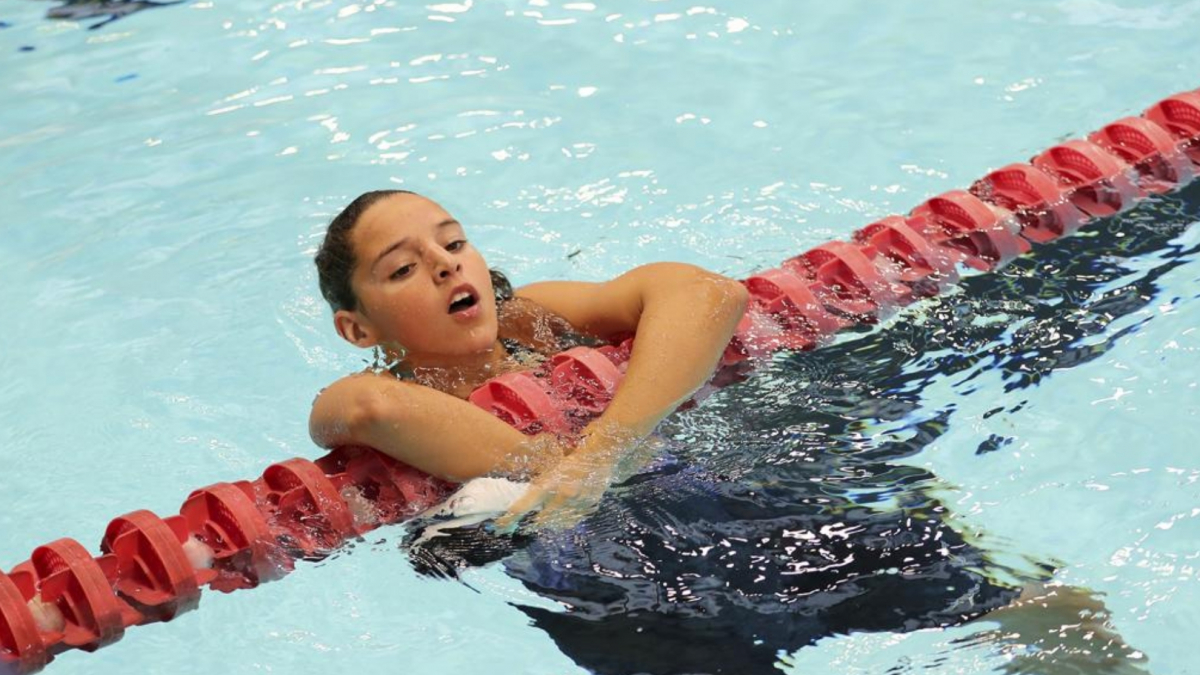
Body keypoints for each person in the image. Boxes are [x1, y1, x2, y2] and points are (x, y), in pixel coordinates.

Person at [308, 189, 749, 530]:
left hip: (717, 476)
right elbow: (371, 409)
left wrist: (600, 454)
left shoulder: (530, 320)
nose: (446, 265)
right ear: (357, 330)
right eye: (403, 268)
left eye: (454, 243)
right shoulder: (373, 391)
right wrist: (557, 470)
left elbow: (709, 293)